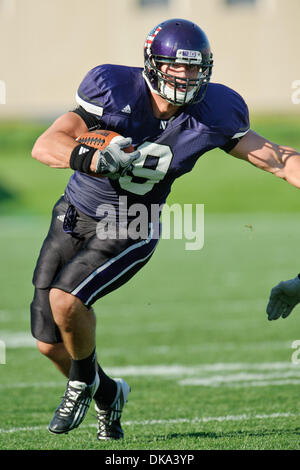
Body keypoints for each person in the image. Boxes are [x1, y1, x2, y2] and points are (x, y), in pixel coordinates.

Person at [31, 18, 300, 441]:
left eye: (195, 68)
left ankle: (80, 385)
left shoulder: (215, 111)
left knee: (67, 301)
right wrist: (90, 157)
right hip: (74, 213)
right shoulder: (113, 88)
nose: (187, 76)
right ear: (153, 64)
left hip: (132, 222)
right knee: (49, 342)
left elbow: (280, 160)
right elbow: (46, 144)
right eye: (177, 66)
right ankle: (108, 393)